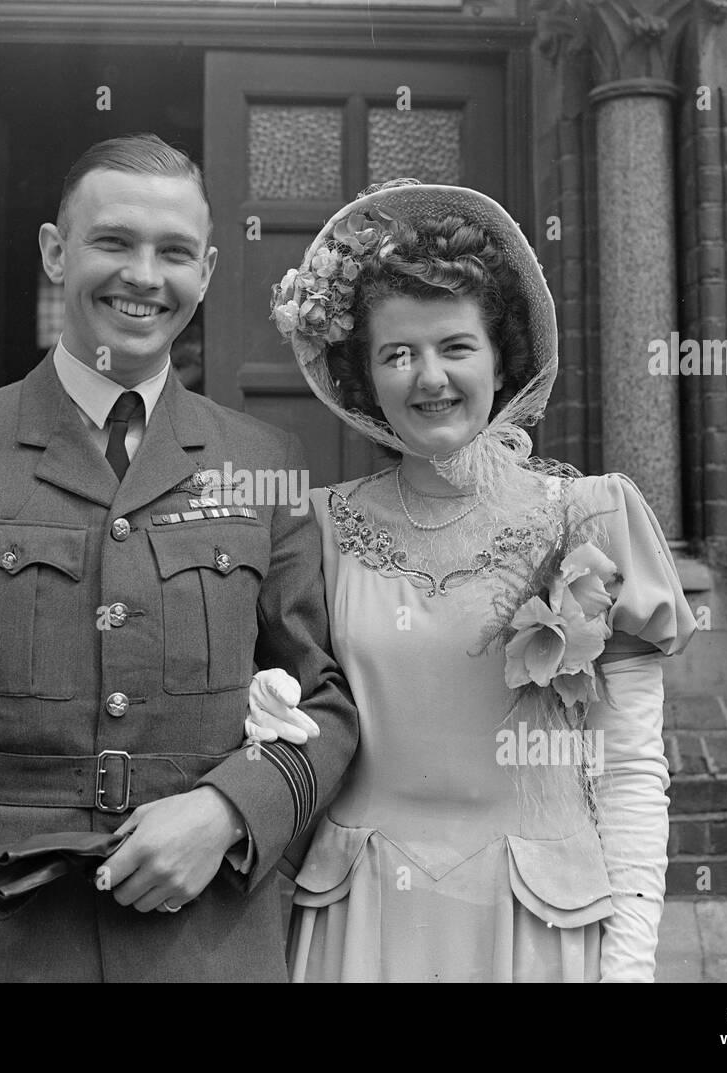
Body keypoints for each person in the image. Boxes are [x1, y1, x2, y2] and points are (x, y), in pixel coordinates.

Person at [0, 133, 358, 982]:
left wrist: (231, 808)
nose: (144, 276)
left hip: (206, 941)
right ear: (55, 251)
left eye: (175, 253)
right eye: (113, 242)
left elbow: (327, 703)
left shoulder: (263, 462)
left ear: (209, 271)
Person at [248, 180, 697, 982]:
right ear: (365, 378)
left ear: (501, 357)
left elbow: (630, 767)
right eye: (397, 354)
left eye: (456, 347)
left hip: (538, 925)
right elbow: (301, 724)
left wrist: (629, 968)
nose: (430, 379)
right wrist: (261, 711)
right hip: (359, 923)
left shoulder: (590, 518)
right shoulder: (316, 529)